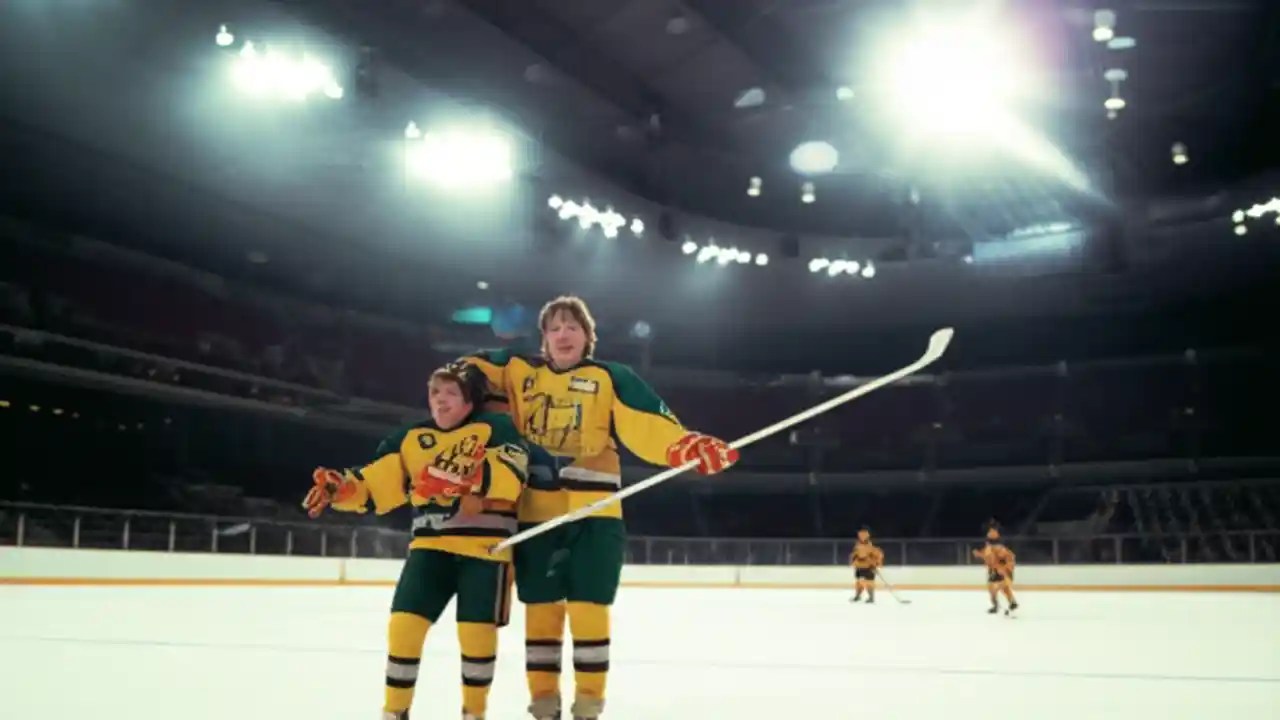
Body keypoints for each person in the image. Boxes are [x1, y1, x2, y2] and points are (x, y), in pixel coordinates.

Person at [463, 295, 738, 720]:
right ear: (543, 340)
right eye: (554, 328)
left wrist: (686, 446)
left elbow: (648, 424)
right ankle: (543, 704)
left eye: (572, 326)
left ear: (588, 337)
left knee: (590, 611)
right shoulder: (520, 371)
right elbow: (469, 373)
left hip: (596, 516)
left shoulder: (611, 377)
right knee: (541, 613)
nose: (563, 334)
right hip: (536, 515)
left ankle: (589, 705)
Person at [302, 362, 530, 720]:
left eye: (451, 393)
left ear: (470, 401)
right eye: (435, 392)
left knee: (475, 634)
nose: (440, 400)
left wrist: (468, 487)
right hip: (430, 548)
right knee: (404, 626)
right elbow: (377, 481)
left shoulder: (496, 428)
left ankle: (474, 713)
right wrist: (343, 488)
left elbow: (512, 474)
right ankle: (395, 712)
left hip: (485, 551)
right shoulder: (410, 438)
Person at [973, 521, 1018, 616]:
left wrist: (1005, 569)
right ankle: (998, 605)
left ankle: (1009, 603)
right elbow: (986, 556)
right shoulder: (988, 549)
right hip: (993, 571)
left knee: (1001, 587)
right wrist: (979, 554)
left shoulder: (1001, 550)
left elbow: (1010, 559)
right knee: (993, 589)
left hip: (1002, 571)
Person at [848, 526, 884, 604]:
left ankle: (870, 597)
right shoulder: (858, 546)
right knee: (859, 582)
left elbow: (878, 555)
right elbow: (854, 555)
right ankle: (858, 596)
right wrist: (852, 561)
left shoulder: (870, 547)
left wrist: (876, 563)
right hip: (860, 567)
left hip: (868, 567)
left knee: (869, 582)